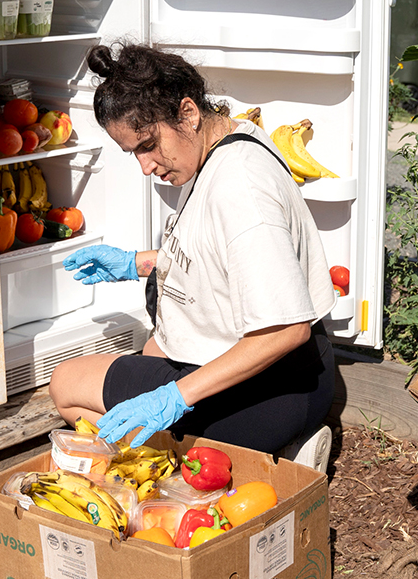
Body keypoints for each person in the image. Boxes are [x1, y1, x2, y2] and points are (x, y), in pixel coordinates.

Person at [48, 43, 336, 464]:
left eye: (148, 145)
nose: (145, 166)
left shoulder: (241, 188)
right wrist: (137, 264)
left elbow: (288, 329)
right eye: (134, 153)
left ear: (187, 113)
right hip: (295, 376)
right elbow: (217, 256)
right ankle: (260, 451)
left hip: (271, 391)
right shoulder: (225, 141)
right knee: (149, 353)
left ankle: (247, 455)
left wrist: (174, 396)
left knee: (67, 385)